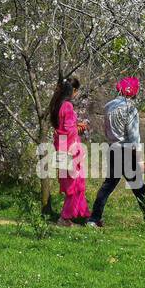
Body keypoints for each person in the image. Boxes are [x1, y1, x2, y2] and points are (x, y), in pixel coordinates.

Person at [86, 76, 145, 228]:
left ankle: (93, 219)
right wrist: (141, 160)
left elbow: (106, 128)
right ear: (134, 92)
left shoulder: (109, 106)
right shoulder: (131, 109)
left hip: (113, 148)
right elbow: (134, 136)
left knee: (108, 186)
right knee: (137, 186)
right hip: (127, 150)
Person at [49, 75, 90, 226]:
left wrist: (75, 125)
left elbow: (60, 127)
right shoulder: (67, 106)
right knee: (74, 185)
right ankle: (65, 217)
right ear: (72, 90)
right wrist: (78, 127)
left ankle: (83, 215)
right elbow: (68, 130)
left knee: (77, 184)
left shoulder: (57, 104)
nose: (76, 94)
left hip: (62, 149)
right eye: (76, 91)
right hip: (71, 151)